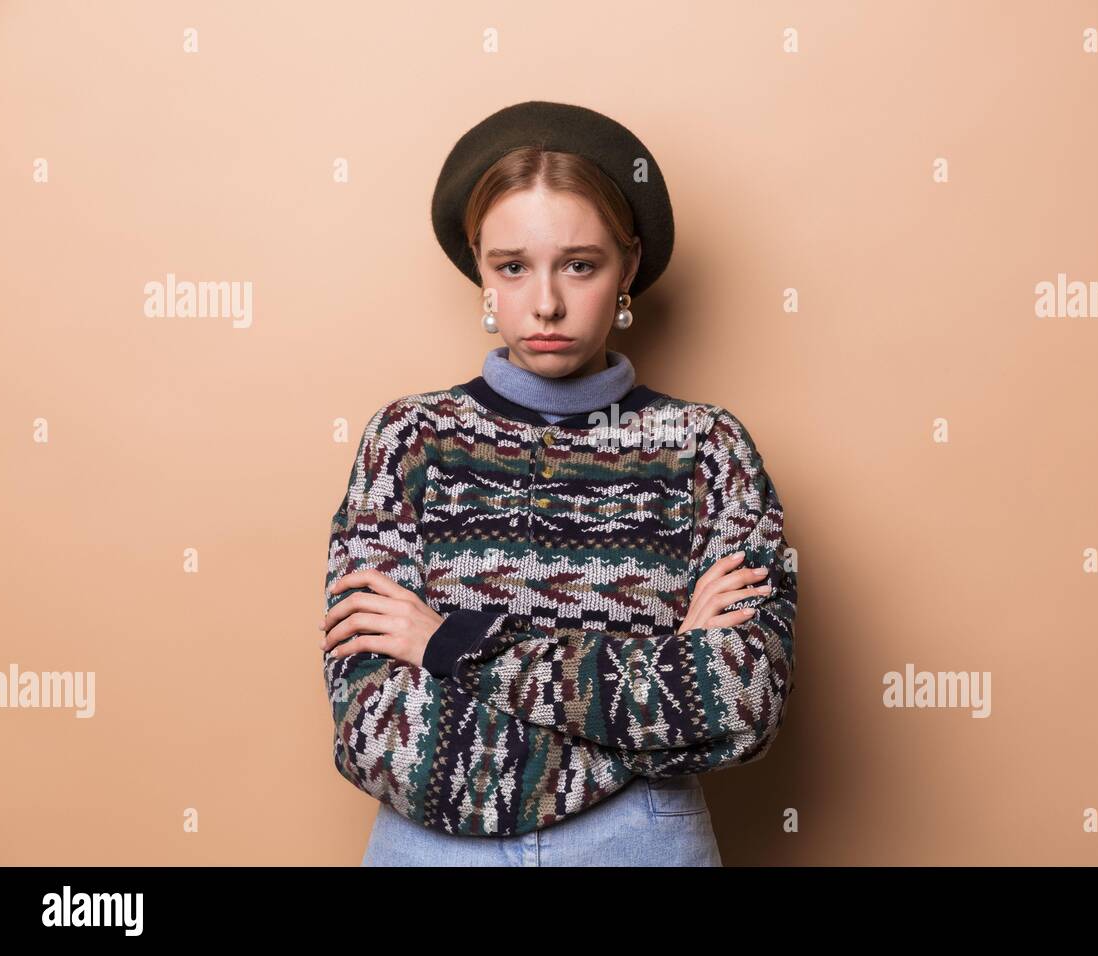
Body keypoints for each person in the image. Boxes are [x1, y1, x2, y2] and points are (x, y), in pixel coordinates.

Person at [319, 101, 798, 866]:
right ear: (481, 266)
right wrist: (656, 696)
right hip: (435, 849)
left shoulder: (708, 448)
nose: (545, 302)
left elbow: (743, 703)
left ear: (628, 267)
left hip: (640, 846)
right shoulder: (409, 441)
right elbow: (374, 731)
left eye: (580, 264)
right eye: (513, 266)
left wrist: (453, 645)